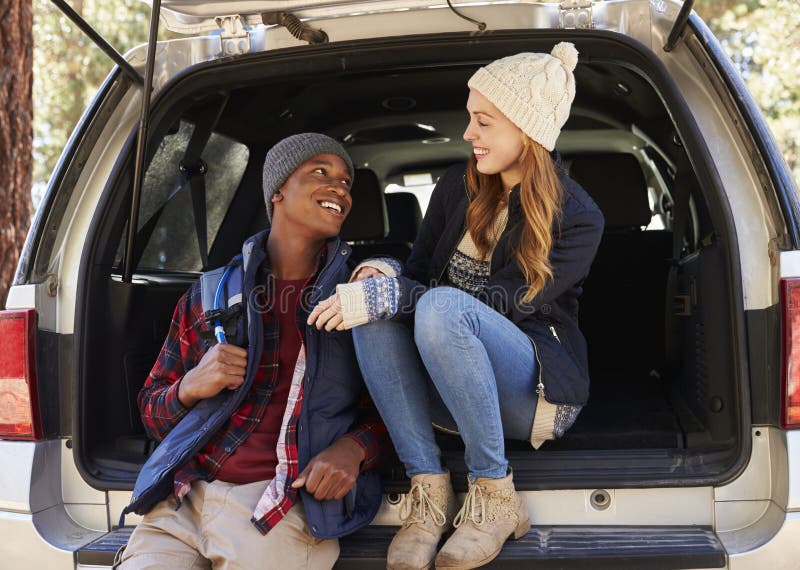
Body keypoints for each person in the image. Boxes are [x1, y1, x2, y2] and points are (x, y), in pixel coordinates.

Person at [308, 43, 604, 570]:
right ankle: (430, 496)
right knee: (378, 309)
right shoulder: (456, 184)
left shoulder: (578, 217)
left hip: (534, 395)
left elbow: (503, 304)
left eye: (483, 122)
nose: (468, 134)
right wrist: (384, 275)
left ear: (527, 129)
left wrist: (401, 294)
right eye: (471, 119)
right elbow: (418, 274)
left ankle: (494, 495)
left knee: (440, 307)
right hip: (450, 389)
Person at [118, 133, 388, 570]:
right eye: (321, 172)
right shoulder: (211, 294)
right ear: (278, 190)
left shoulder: (361, 295)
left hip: (275, 506)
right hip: (181, 500)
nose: (340, 188)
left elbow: (404, 411)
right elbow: (152, 411)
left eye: (346, 182)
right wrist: (190, 386)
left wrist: (354, 450)